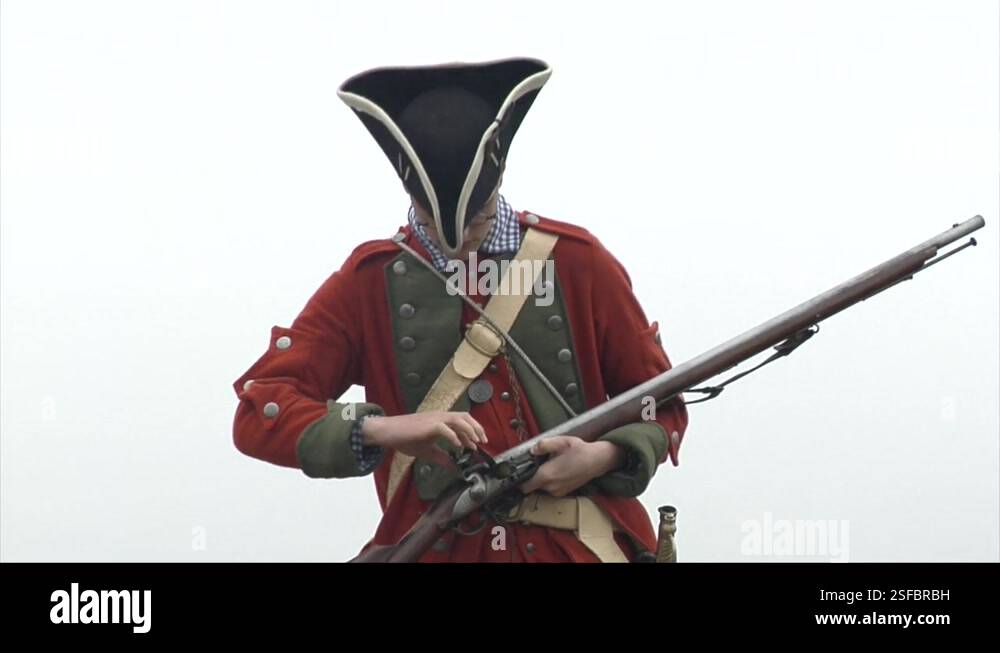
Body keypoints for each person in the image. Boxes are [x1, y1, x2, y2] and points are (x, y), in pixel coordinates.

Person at [231, 57, 689, 562]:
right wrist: (382, 428)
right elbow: (261, 411)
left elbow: (659, 403)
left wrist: (601, 457)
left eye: (479, 219)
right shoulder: (368, 282)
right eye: (433, 219)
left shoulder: (578, 263)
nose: (461, 242)